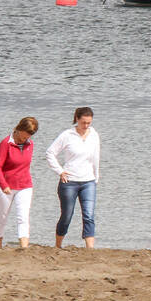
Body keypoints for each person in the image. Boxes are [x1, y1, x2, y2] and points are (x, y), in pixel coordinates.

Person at [45, 106, 100, 249]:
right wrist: (60, 171)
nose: (86, 126)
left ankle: (90, 249)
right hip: (69, 182)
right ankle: (58, 245)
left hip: (88, 181)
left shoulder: (94, 134)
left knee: (89, 215)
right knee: (66, 216)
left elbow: (96, 157)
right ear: (77, 119)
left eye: (89, 123)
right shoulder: (67, 135)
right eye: (83, 122)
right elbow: (50, 153)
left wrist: (96, 177)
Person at [0, 117, 38, 248]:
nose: (23, 140)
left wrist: (26, 141)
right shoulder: (6, 143)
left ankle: (24, 247)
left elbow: (24, 166)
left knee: (23, 217)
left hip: (25, 186)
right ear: (18, 129)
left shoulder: (30, 144)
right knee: (2, 217)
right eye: (22, 137)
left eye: (26, 138)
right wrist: (3, 184)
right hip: (5, 187)